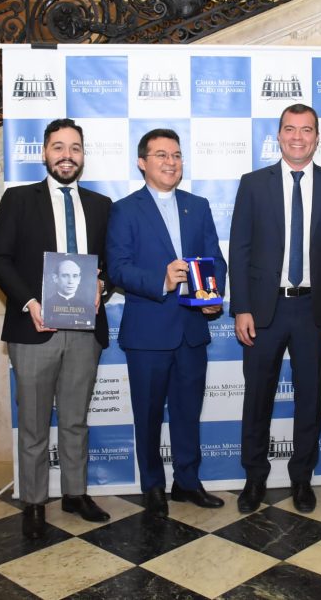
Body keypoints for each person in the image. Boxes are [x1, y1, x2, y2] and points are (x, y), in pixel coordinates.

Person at [0, 118, 112, 539]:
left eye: (74, 148)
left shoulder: (100, 205)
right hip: (34, 328)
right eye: (58, 147)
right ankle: (35, 502)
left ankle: (76, 494)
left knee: (76, 419)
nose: (67, 155)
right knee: (35, 422)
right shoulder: (19, 199)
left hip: (84, 331)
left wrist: (103, 283)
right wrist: (29, 302)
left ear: (83, 155)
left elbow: (109, 264)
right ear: (44, 153)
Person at [230, 104, 321, 514]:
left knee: (309, 400)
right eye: (289, 129)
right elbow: (240, 249)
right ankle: (254, 479)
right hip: (264, 311)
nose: (297, 137)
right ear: (278, 135)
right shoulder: (253, 184)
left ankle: (302, 478)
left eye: (306, 130)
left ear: (317, 137)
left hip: (313, 311)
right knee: (257, 399)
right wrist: (241, 308)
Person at [107, 128, 227, 515]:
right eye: (160, 155)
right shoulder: (125, 209)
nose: (170, 162)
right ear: (142, 162)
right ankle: (153, 486)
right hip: (147, 334)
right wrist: (162, 278)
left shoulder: (199, 204)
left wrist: (213, 298)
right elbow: (118, 268)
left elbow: (215, 260)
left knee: (188, 412)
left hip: (192, 330)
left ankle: (187, 483)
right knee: (148, 414)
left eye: (175, 155)